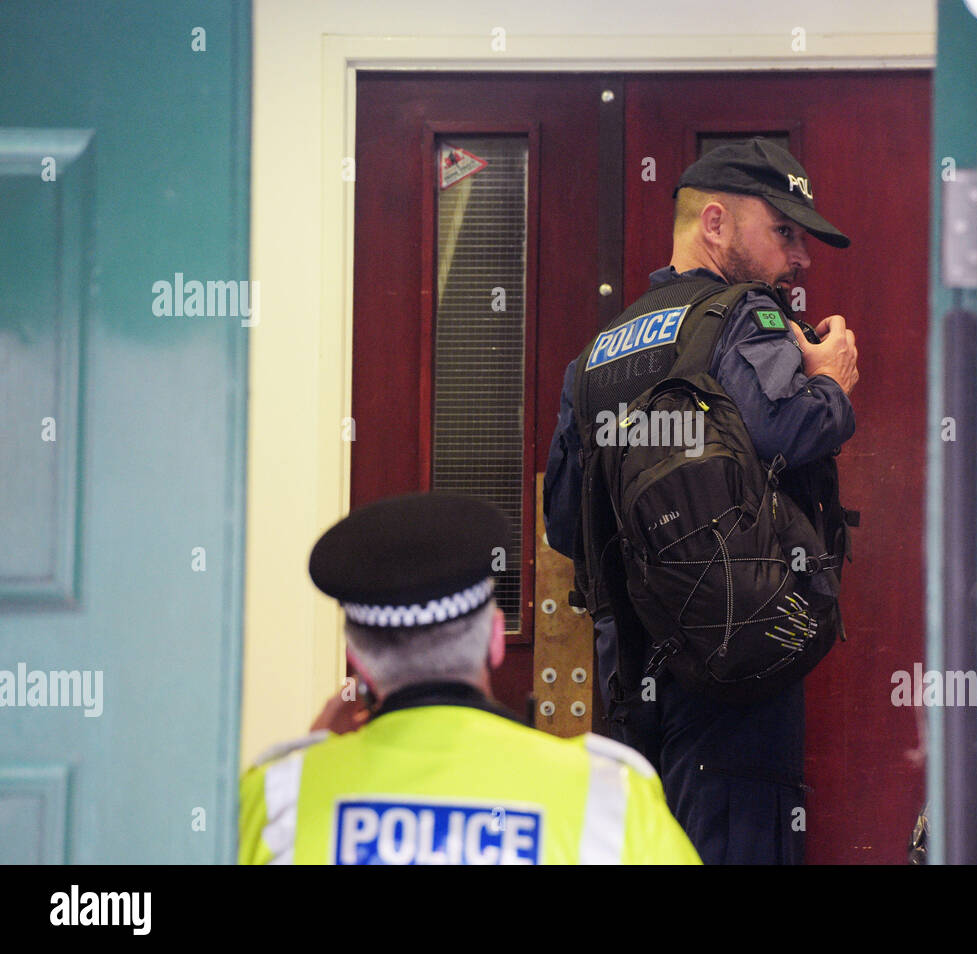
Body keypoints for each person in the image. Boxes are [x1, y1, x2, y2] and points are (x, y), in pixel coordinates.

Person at [543, 138, 860, 864]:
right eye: (783, 231)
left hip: (629, 683)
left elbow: (565, 524)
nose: (800, 258)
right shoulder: (743, 315)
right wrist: (832, 384)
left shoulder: (596, 353)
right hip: (737, 670)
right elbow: (786, 427)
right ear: (715, 223)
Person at [239, 491, 701, 865]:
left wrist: (308, 761)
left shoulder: (276, 800)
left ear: (356, 660)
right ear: (496, 639)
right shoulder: (610, 799)